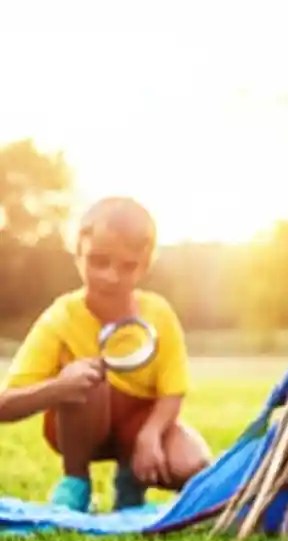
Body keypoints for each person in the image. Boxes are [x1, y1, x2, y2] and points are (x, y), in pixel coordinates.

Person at [0, 197, 211, 512]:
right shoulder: (61, 317)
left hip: (137, 424)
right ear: (78, 257)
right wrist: (59, 387)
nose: (112, 276)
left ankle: (131, 479)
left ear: (145, 266)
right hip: (79, 424)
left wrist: (150, 436)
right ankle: (76, 483)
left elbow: (173, 390)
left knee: (193, 466)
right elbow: (5, 405)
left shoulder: (159, 314)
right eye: (99, 261)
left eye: (128, 266)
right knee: (87, 376)